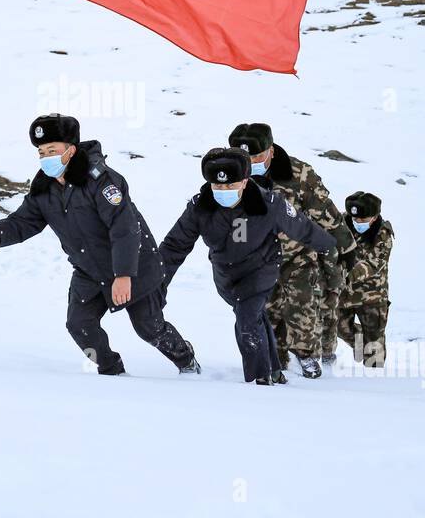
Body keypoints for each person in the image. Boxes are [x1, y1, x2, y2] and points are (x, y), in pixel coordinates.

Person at [0, 113, 200, 377]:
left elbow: (124, 228)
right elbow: (25, 221)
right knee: (79, 324)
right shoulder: (43, 188)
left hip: (134, 265)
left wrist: (124, 274)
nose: (46, 156)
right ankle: (112, 371)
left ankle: (186, 360)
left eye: (52, 150)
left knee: (149, 328)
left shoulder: (103, 181)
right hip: (89, 269)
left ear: (70, 150)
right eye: (41, 151)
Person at [159, 147, 337, 385]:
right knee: (253, 316)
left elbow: (301, 227)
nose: (223, 191)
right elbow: (174, 245)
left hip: (261, 268)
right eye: (218, 186)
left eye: (230, 186)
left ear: (244, 181)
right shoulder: (199, 207)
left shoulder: (269, 203)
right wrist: (157, 280)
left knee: (247, 319)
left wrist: (329, 247)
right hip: (225, 275)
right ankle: (274, 370)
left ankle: (259, 381)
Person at [229, 123, 355, 380]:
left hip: (297, 255)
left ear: (271, 151)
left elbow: (325, 211)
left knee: (303, 305)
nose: (250, 162)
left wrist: (347, 246)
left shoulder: (298, 174)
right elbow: (228, 220)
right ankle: (278, 359)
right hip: (257, 258)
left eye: (256, 156)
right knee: (267, 311)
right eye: (245, 158)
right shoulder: (228, 175)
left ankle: (307, 355)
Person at [337, 191, 394, 368]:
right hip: (344, 293)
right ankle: (360, 344)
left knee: (374, 342)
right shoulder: (343, 221)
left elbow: (372, 263)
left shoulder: (383, 234)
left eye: (363, 220)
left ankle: (374, 379)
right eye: (356, 220)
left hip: (372, 296)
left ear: (375, 216)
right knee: (338, 327)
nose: (358, 223)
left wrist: (345, 275)